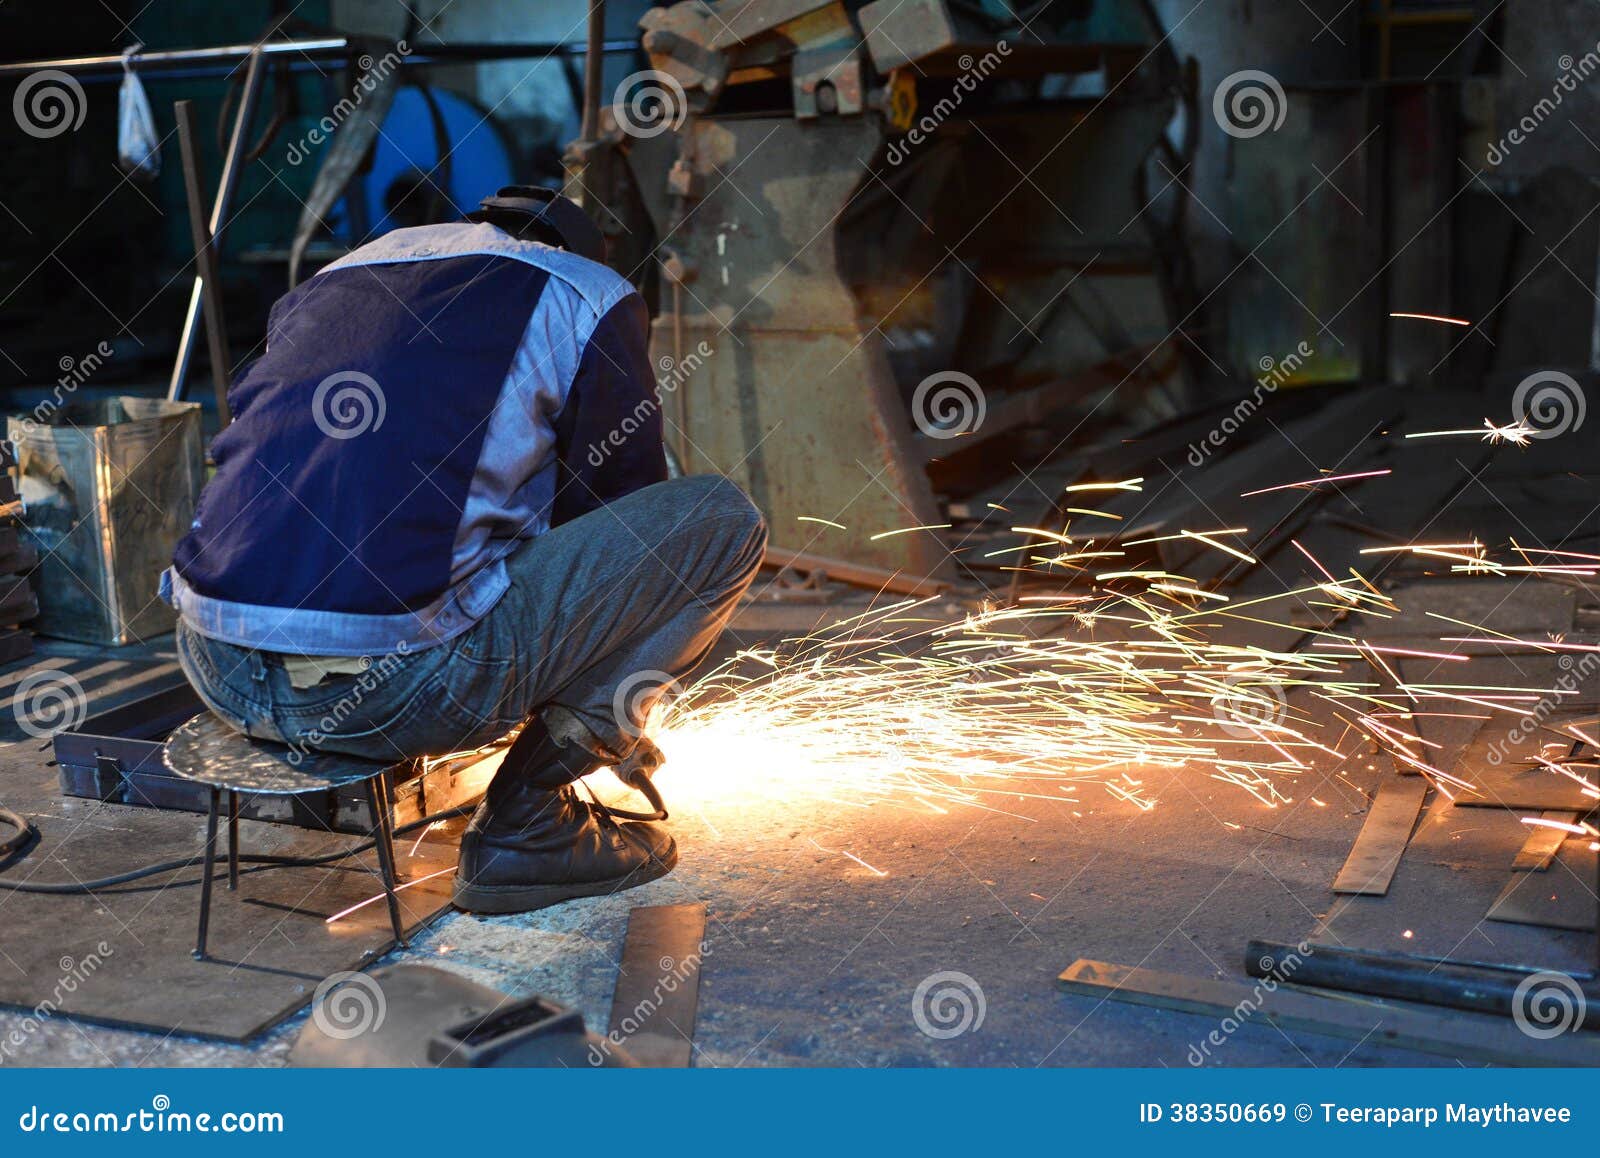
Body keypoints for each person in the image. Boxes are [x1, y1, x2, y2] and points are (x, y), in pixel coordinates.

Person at [164, 187, 767, 914]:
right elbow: (621, 516)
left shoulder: (339, 275)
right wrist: (610, 713)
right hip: (396, 694)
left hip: (215, 665)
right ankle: (529, 825)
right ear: (574, 248)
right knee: (718, 520)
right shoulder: (587, 292)